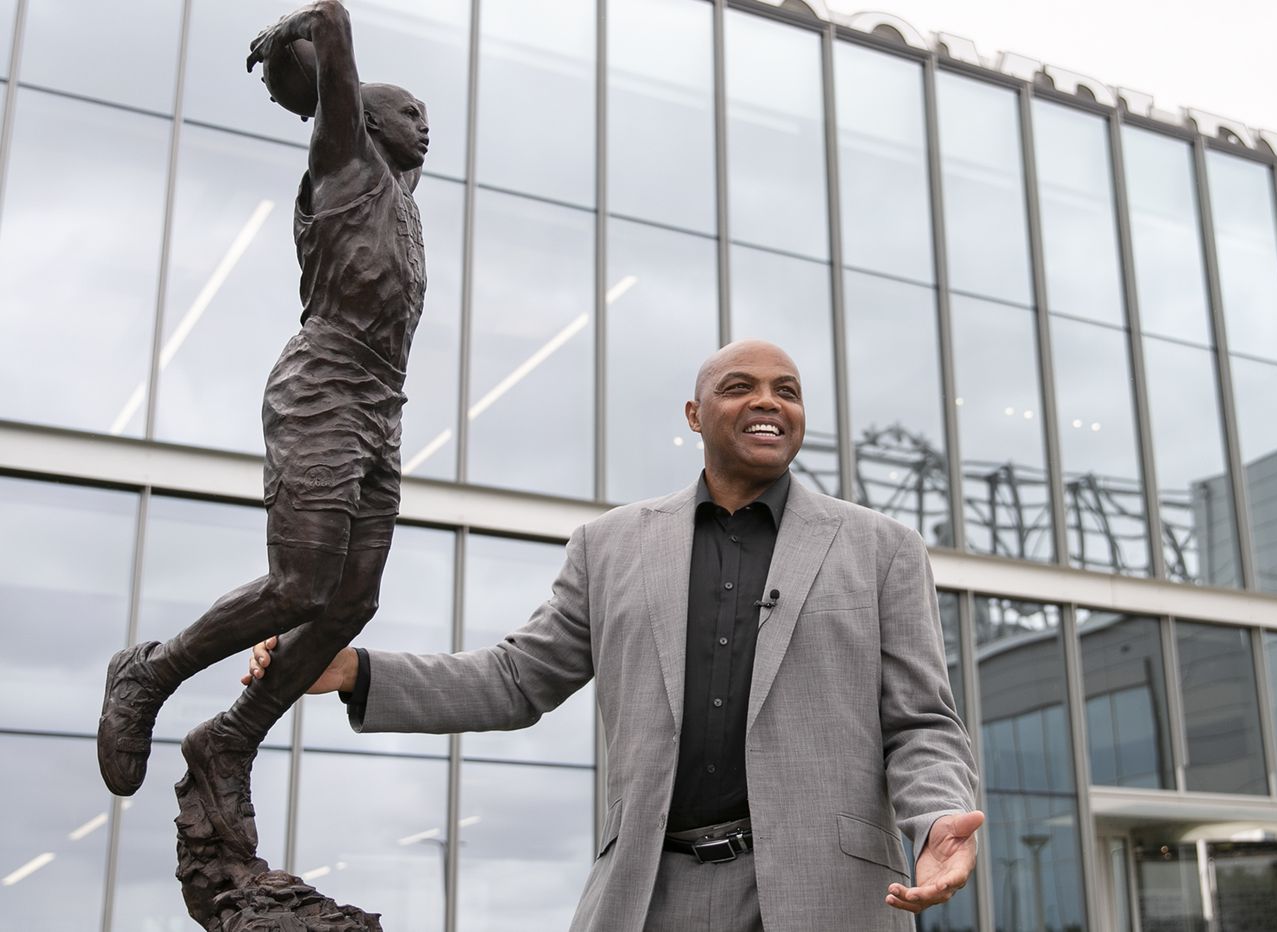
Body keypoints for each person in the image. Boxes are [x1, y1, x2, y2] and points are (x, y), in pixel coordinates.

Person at [250, 339, 982, 931]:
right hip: (649, 893)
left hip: (827, 896)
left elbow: (921, 721)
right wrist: (354, 670)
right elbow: (517, 679)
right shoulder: (611, 546)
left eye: (787, 390)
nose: (767, 401)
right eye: (741, 387)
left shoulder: (881, 549)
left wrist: (938, 819)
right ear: (695, 415)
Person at [96, 0, 429, 859]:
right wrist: (300, 36)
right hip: (324, 386)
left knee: (355, 598)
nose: (424, 129)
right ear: (363, 118)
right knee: (300, 585)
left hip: (381, 405)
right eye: (409, 113)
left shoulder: (401, 203)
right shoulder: (347, 166)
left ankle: (230, 737)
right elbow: (335, 28)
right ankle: (152, 670)